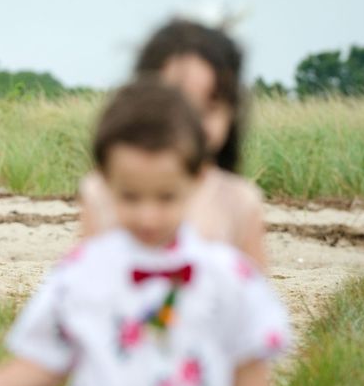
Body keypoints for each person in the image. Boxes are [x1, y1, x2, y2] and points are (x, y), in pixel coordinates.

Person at [0, 81, 290, 386]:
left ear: (197, 182)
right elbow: (44, 360)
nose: (148, 216)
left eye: (166, 197)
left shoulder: (227, 275)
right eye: (130, 197)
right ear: (104, 183)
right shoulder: (83, 271)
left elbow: (249, 379)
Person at [80, 18, 267, 268]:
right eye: (177, 101)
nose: (190, 121)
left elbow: (253, 293)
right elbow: (87, 276)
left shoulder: (239, 201)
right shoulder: (101, 192)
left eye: (209, 109)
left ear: (231, 112)